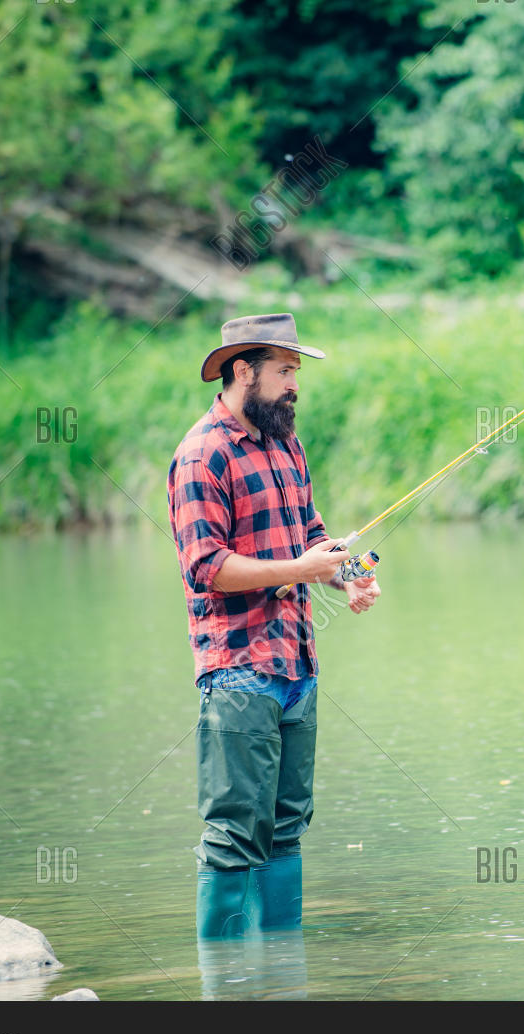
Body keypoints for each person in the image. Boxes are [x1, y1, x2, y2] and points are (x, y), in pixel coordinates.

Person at [167, 313, 380, 939]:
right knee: (235, 834)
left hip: (297, 669)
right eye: (284, 371)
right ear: (243, 371)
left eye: (296, 372)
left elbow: (313, 538)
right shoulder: (201, 455)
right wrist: (299, 569)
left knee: (288, 829)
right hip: (237, 674)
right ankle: (223, 976)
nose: (294, 385)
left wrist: (349, 576)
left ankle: (284, 974)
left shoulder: (287, 445)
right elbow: (206, 567)